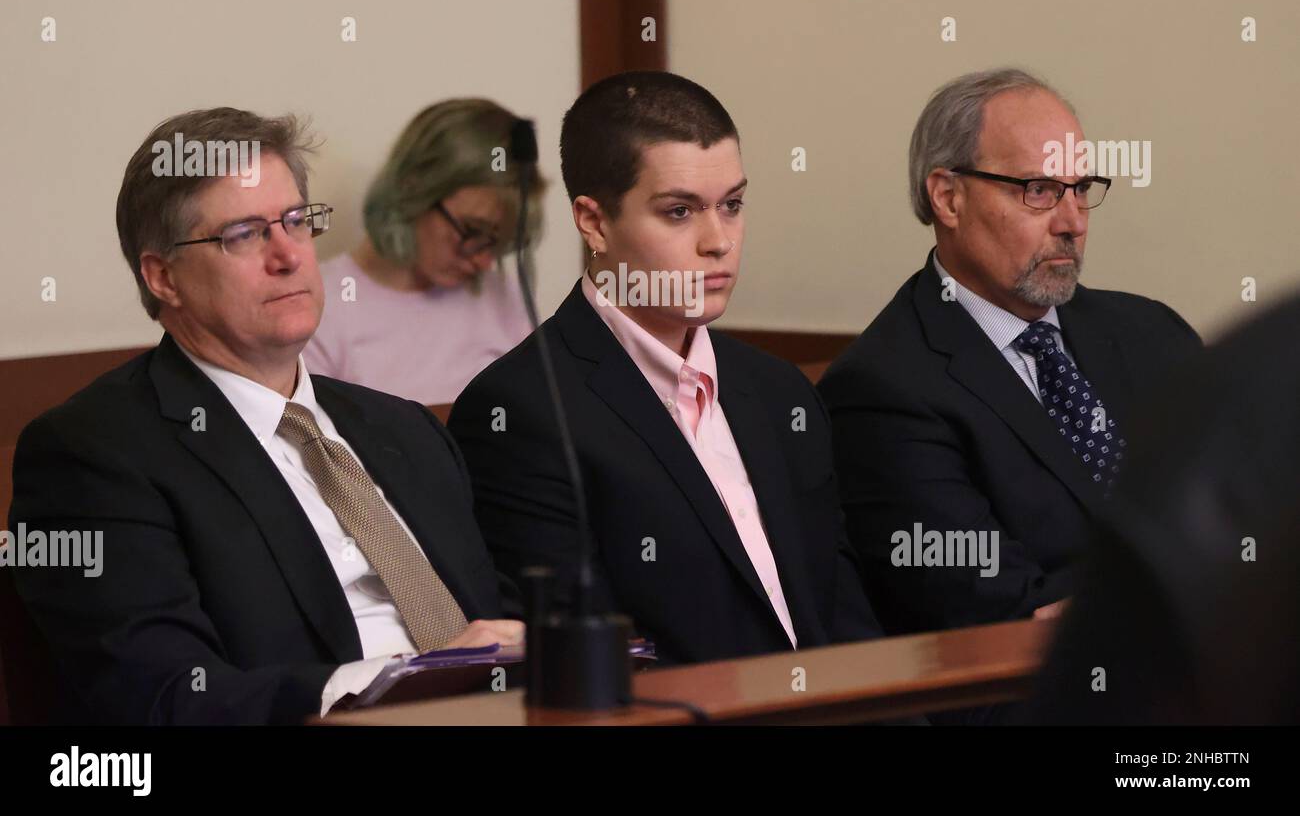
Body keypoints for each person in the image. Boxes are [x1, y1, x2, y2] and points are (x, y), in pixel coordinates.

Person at [8, 107, 522, 724]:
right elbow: (166, 698)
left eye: (297, 222)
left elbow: (501, 617)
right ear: (163, 277)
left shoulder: (404, 429)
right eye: (244, 234)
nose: (288, 256)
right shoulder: (93, 454)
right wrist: (409, 682)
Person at [448, 71, 884, 666]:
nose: (719, 241)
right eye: (680, 212)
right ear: (594, 222)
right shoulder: (522, 410)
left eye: (731, 206)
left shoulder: (780, 391)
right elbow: (586, 659)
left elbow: (845, 617)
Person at [818, 68, 1202, 636]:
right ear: (948, 197)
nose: (1072, 223)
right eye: (1039, 191)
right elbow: (1006, 611)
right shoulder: (883, 392)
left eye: (1080, 189)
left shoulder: (1152, 332)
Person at [1025, 293, 1300, 724]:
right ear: (950, 218)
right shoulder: (1271, 364)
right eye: (1037, 216)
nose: (1071, 224)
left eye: (1088, 216)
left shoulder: (1152, 326)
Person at [304, 99, 543, 405]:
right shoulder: (320, 306)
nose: (484, 263)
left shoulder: (503, 298)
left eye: (497, 243)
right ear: (413, 190)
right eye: (472, 232)